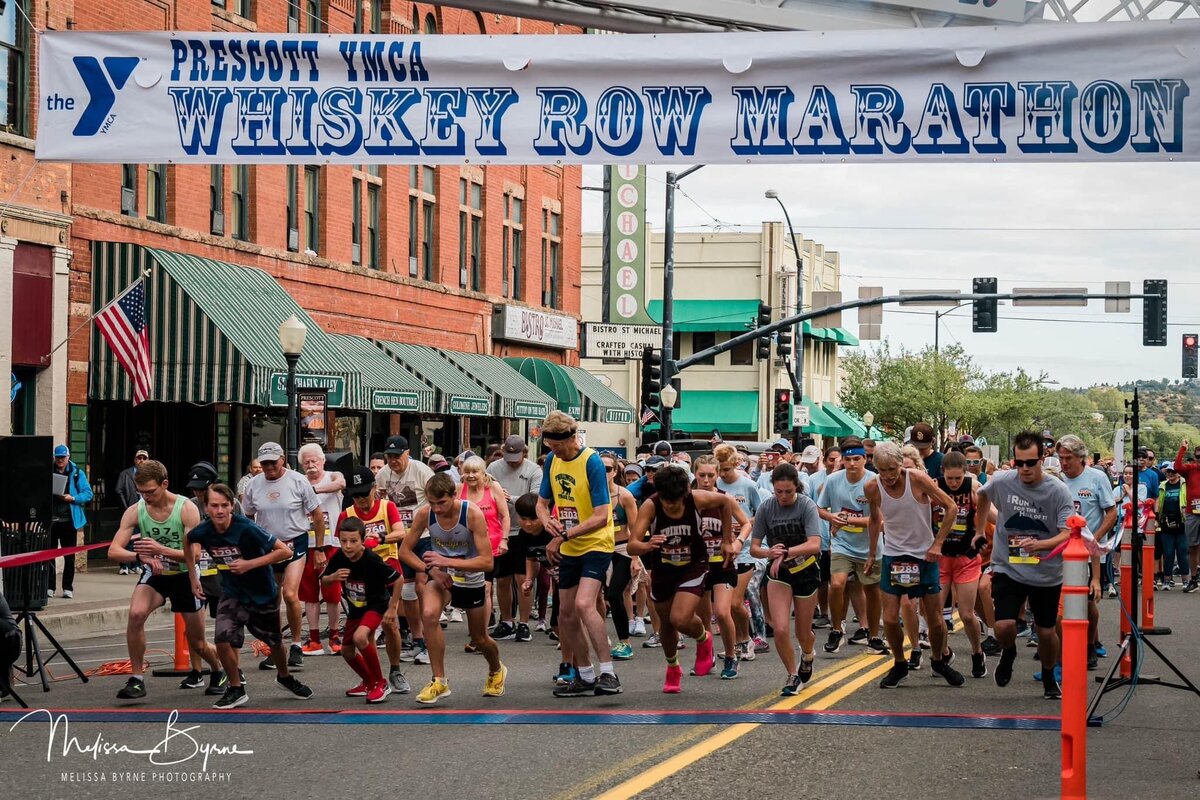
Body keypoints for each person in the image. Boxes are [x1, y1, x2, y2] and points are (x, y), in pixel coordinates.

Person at [185, 484, 313, 709]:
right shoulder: (203, 531)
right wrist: (193, 578)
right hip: (232, 593)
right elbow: (188, 541)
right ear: (206, 507)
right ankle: (236, 688)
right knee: (222, 639)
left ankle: (284, 677)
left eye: (225, 505)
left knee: (274, 642)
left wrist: (249, 564)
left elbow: (285, 551)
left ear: (232, 506)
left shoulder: (246, 528)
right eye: (214, 506)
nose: (220, 511)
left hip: (262, 593)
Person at [107, 459, 224, 700]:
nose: (146, 497)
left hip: (185, 575)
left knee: (198, 643)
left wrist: (160, 550)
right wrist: (140, 556)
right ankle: (137, 678)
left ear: (164, 484)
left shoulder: (185, 508)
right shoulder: (136, 510)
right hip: (157, 574)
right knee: (136, 614)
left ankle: (218, 669)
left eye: (150, 491)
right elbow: (113, 551)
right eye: (141, 493)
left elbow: (195, 553)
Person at [974, 431, 1076, 700]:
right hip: (1009, 566)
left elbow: (1068, 532)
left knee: (1045, 631)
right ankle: (1008, 652)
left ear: (1042, 458)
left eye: (1031, 463)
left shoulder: (1057, 491)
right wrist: (978, 532)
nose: (1025, 469)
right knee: (1004, 626)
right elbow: (981, 496)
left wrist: (1040, 545)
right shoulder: (1003, 481)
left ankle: (1049, 675)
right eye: (1020, 463)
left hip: (1046, 571)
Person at [399, 474, 506, 704]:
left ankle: (496, 670)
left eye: (442, 503)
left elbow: (487, 562)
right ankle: (439, 681)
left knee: (479, 638)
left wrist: (447, 562)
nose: (436, 509)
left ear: (454, 496)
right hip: (441, 576)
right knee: (428, 614)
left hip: (471, 576)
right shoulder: (425, 514)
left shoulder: (472, 514)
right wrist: (432, 570)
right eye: (432, 503)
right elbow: (404, 552)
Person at [866, 441, 965, 689]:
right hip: (893, 555)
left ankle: (939, 659)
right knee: (889, 619)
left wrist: (938, 543)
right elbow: (875, 518)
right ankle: (900, 663)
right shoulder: (872, 487)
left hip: (924, 555)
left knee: (934, 619)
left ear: (901, 464)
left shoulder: (918, 479)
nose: (888, 476)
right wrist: (871, 553)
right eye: (882, 470)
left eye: (892, 469)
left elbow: (951, 507)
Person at [536, 411, 622, 697]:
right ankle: (584, 675)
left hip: (596, 542)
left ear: (572, 437)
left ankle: (609, 673)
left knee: (586, 604)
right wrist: (547, 520)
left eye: (557, 445)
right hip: (570, 543)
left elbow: (601, 515)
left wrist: (561, 536)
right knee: (565, 613)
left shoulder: (592, 462)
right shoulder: (552, 460)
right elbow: (541, 502)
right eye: (549, 445)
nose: (554, 450)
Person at [627, 464, 734, 693]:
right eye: (667, 501)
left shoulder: (697, 499)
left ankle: (703, 638)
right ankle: (673, 666)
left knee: (680, 618)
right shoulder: (650, 506)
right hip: (664, 569)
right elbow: (631, 545)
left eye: (675, 502)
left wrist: (727, 540)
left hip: (693, 566)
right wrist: (647, 545)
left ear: (685, 493)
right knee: (666, 623)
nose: (671, 506)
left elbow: (726, 503)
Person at [241, 442, 326, 671]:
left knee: (290, 594)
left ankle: (297, 644)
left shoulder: (298, 481)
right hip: (268, 545)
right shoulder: (253, 485)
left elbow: (317, 516)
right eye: (265, 463)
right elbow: (247, 517)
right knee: (271, 598)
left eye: (273, 462)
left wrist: (319, 548)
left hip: (295, 542)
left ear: (282, 461)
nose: (269, 467)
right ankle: (276, 645)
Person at [751, 462, 824, 696]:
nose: (783, 496)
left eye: (788, 492)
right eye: (778, 491)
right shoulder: (766, 508)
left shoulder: (806, 505)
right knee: (781, 628)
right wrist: (768, 553)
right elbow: (754, 548)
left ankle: (808, 654)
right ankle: (793, 675)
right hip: (778, 573)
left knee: (803, 632)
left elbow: (815, 544)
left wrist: (786, 552)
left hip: (805, 570)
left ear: (797, 488)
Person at [338, 465, 410, 694]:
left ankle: (395, 670)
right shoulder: (346, 515)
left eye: (364, 493)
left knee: (390, 624)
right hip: (362, 578)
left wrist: (379, 538)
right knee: (364, 633)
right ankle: (371, 679)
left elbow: (401, 532)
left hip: (387, 569)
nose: (360, 499)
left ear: (374, 489)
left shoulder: (387, 507)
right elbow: (340, 546)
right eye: (355, 495)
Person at [322, 517, 405, 703]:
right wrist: (334, 576)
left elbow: (398, 579)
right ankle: (368, 681)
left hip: (376, 605)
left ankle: (380, 683)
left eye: (353, 541)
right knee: (346, 651)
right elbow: (324, 580)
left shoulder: (371, 560)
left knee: (361, 637)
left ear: (363, 540)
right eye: (344, 541)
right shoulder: (339, 557)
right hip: (355, 609)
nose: (348, 546)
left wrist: (393, 608)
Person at [817, 438, 886, 655]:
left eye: (857, 459)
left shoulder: (875, 482)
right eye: (848, 459)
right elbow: (819, 508)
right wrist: (831, 517)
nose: (852, 464)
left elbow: (880, 521)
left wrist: (846, 520)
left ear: (865, 459)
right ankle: (837, 630)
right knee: (837, 584)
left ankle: (873, 636)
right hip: (842, 544)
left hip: (870, 545)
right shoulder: (834, 480)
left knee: (872, 590)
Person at [179, 460, 241, 688]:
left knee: (228, 627)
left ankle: (234, 668)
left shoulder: (229, 504)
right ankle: (197, 670)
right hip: (199, 572)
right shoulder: (190, 506)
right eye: (195, 489)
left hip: (224, 574)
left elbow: (241, 532)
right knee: (194, 626)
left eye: (202, 488)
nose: (198, 493)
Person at [375, 435, 436, 664]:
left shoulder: (421, 471)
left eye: (397, 456)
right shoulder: (382, 475)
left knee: (424, 587)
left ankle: (430, 642)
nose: (393, 461)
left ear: (407, 453)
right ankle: (418, 640)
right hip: (400, 538)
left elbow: (435, 500)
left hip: (424, 536)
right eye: (389, 456)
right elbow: (379, 501)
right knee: (408, 592)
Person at [1057, 435, 1112, 672]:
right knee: (1063, 602)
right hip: (1062, 551)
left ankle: (1090, 645)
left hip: (1089, 551)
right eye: (1060, 458)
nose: (1064, 463)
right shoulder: (1057, 481)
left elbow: (1111, 513)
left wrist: (1094, 539)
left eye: (1068, 458)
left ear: (1081, 458)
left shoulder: (1097, 478)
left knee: (1087, 600)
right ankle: (1060, 647)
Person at [933, 451, 988, 679]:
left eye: (957, 478)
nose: (954, 483)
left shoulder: (972, 487)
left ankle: (977, 652)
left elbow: (990, 509)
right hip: (941, 557)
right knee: (937, 615)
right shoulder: (935, 488)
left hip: (966, 557)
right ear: (942, 474)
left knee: (966, 614)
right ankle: (942, 654)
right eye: (950, 478)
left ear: (964, 474)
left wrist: (983, 530)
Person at [692, 455, 747, 679]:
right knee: (702, 618)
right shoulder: (688, 499)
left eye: (710, 475)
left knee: (722, 612)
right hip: (695, 565)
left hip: (722, 564)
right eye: (701, 475)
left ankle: (732, 657)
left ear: (717, 476)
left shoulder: (725, 499)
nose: (706, 480)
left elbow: (746, 523)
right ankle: (707, 656)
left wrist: (737, 543)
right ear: (694, 474)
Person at [487, 436, 544, 643]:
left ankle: (523, 623)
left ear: (525, 453)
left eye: (516, 456)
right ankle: (507, 621)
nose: (512, 461)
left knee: (523, 579)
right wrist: (495, 495)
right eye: (508, 456)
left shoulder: (533, 470)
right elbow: (486, 491)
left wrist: (509, 497)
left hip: (523, 529)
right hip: (500, 529)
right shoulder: (493, 467)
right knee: (502, 579)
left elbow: (536, 499)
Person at [714, 444, 763, 663]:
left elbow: (761, 514)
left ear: (735, 464)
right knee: (724, 607)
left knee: (735, 602)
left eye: (726, 469)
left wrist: (743, 524)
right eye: (720, 470)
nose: (722, 474)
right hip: (722, 552)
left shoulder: (748, 485)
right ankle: (735, 643)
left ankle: (747, 640)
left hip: (744, 552)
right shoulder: (714, 485)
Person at [297, 443, 346, 656]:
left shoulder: (333, 475)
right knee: (309, 594)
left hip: (331, 543)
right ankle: (314, 638)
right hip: (307, 544)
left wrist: (312, 490)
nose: (311, 466)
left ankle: (334, 635)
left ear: (322, 461)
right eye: (306, 462)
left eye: (314, 461)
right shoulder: (298, 482)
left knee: (333, 592)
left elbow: (340, 484)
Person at [459, 455, 510, 643]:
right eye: (467, 472)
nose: (471, 475)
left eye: (475, 472)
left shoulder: (493, 488)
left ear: (483, 473)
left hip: (491, 545)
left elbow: (505, 516)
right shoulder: (459, 490)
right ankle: (476, 632)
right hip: (467, 548)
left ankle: (482, 635)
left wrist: (504, 539)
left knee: (485, 588)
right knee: (472, 589)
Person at [602, 453, 641, 661]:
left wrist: (635, 558)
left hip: (623, 548)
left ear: (615, 472)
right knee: (597, 596)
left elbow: (635, 528)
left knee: (615, 593)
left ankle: (625, 641)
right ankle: (601, 637)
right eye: (600, 469)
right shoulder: (591, 494)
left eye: (608, 469)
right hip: (599, 548)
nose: (604, 472)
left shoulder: (624, 496)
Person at [49, 445, 92, 599]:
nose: (60, 460)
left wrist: (72, 498)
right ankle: (50, 587)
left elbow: (88, 494)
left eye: (63, 457)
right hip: (52, 520)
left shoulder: (77, 473)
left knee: (69, 555)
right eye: (58, 457)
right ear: (54, 457)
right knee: (49, 555)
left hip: (69, 521)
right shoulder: (49, 471)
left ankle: (68, 587)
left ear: (68, 457)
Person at [1171, 439, 1200, 593]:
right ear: (1195, 457)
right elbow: (1177, 467)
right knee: (1192, 546)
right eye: (1198, 456)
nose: (1199, 459)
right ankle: (1193, 579)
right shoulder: (1191, 469)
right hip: (1193, 513)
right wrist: (1183, 448)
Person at [115, 450, 149, 575]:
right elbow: (119, 490)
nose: (142, 460)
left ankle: (136, 564)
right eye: (139, 458)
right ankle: (124, 565)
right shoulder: (126, 474)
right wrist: (126, 507)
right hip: (131, 510)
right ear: (135, 460)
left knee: (139, 540)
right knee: (126, 538)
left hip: (145, 511)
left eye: (144, 458)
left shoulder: (150, 475)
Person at [1157, 462, 1189, 591]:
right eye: (1168, 471)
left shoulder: (1184, 484)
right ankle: (1167, 580)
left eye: (1173, 471)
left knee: (1182, 552)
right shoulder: (1162, 485)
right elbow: (1158, 501)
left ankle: (1186, 580)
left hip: (1182, 521)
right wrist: (1156, 517)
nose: (1170, 474)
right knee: (1168, 553)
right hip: (1166, 522)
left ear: (1178, 473)